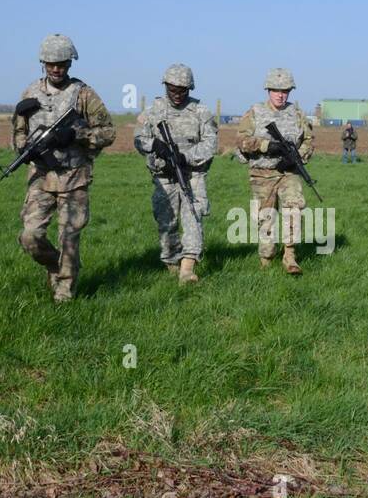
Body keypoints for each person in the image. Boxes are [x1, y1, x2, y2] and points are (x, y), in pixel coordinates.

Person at [13, 34, 116, 301]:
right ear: (43, 64)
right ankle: (55, 265)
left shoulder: (84, 95)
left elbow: (108, 133)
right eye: (51, 64)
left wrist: (76, 135)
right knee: (30, 236)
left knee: (69, 237)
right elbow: (19, 132)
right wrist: (23, 147)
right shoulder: (30, 93)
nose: (56, 69)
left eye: (61, 64)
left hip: (74, 176)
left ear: (69, 64)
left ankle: (65, 292)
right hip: (40, 176)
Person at [133, 63, 218, 284]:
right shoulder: (153, 111)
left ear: (190, 88)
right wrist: (155, 145)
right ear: (166, 87)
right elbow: (139, 139)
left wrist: (186, 157)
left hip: (192, 175)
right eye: (173, 90)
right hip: (164, 177)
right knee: (166, 222)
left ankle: (187, 269)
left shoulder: (201, 112)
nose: (177, 95)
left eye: (182, 90)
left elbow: (210, 144)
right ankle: (171, 262)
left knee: (193, 217)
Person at [235, 68, 313, 274]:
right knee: (265, 217)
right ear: (268, 90)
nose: (281, 95)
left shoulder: (297, 114)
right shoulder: (255, 112)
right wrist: (266, 146)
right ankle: (266, 259)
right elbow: (241, 140)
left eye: (285, 91)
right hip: (262, 173)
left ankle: (290, 256)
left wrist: (297, 158)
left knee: (294, 209)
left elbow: (308, 140)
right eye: (276, 90)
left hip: (289, 173)